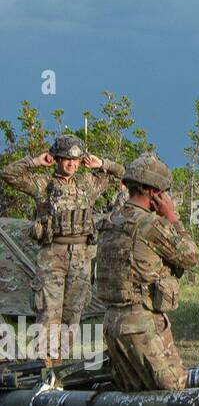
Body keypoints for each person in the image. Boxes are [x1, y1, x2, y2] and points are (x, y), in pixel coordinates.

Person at [95, 153, 199, 406]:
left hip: (112, 323)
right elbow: (191, 255)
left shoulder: (111, 221)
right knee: (171, 394)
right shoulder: (152, 225)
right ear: (154, 193)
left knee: (135, 395)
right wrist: (173, 218)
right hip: (142, 323)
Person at [0, 134, 123, 358]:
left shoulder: (88, 184)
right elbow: (8, 174)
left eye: (76, 160)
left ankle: (62, 363)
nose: (71, 164)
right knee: (49, 314)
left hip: (81, 258)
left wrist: (103, 164)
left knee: (72, 315)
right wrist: (35, 162)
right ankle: (43, 367)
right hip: (52, 258)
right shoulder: (43, 185)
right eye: (67, 159)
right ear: (56, 158)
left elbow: (122, 175)